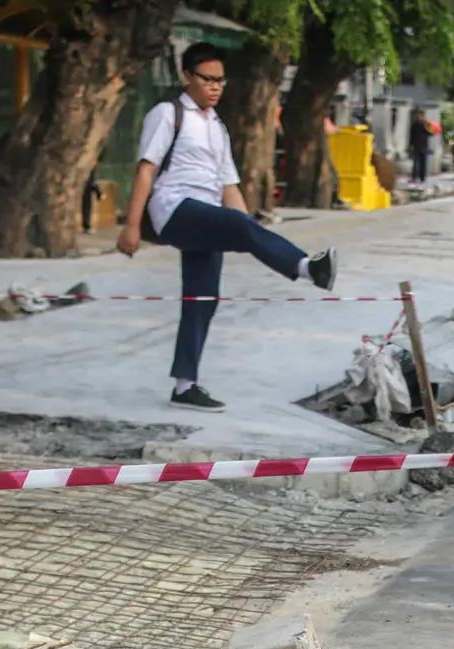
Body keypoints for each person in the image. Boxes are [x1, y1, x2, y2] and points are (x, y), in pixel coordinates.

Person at [116, 42, 337, 412]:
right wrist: (131, 226)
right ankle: (306, 268)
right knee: (239, 225)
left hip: (208, 215)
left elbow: (228, 186)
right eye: (208, 79)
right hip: (175, 209)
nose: (216, 87)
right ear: (187, 77)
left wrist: (249, 233)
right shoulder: (167, 114)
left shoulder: (218, 127)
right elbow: (146, 169)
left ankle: (185, 386)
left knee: (203, 298)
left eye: (221, 80)